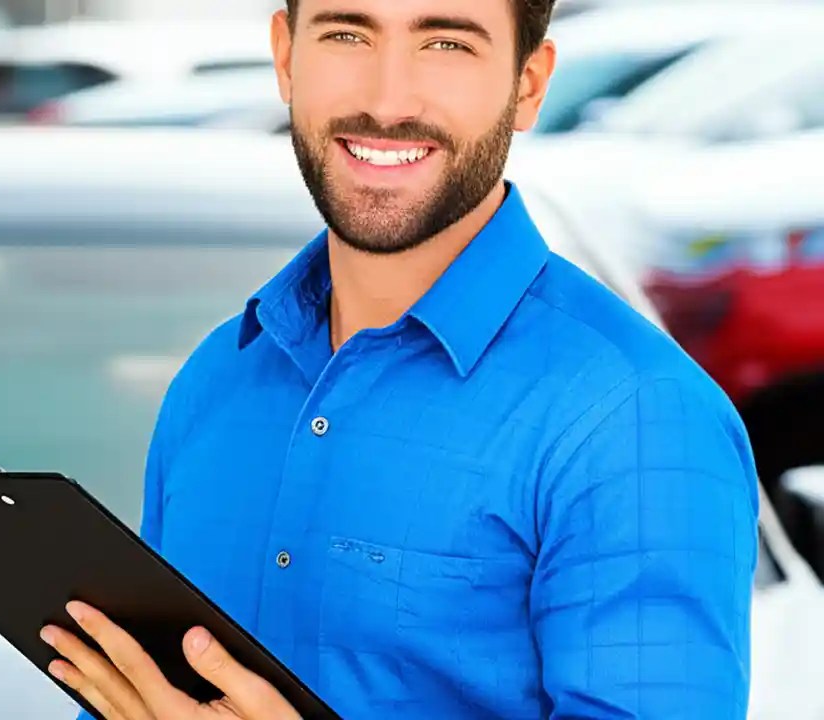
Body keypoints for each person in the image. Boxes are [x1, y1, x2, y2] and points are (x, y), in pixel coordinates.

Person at [41, 0, 760, 717]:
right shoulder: (216, 382)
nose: (387, 101)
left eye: (445, 43)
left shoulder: (636, 418)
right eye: (348, 34)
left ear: (529, 85)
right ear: (287, 57)